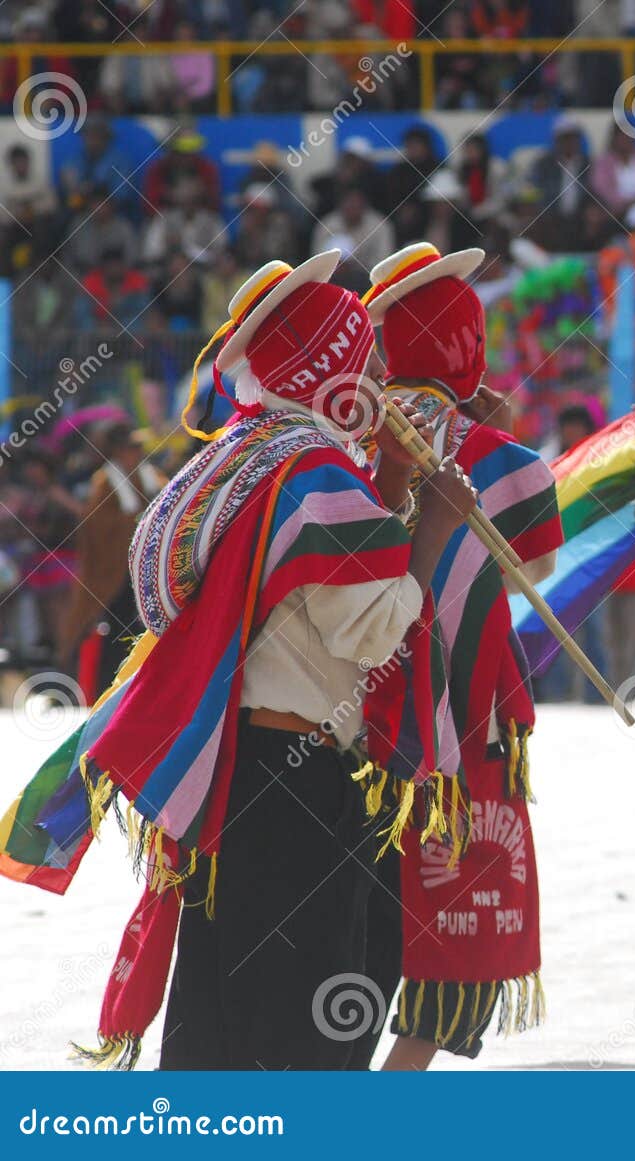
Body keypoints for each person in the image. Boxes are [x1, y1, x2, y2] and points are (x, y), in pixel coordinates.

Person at [0, 251, 479, 1069]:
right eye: (366, 356)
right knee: (301, 1020)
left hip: (243, 769)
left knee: (223, 1000)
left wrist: (393, 490)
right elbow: (371, 631)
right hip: (300, 778)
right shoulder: (319, 476)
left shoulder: (250, 453)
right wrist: (431, 527)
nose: (379, 375)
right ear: (334, 364)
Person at [361, 243, 565, 1070]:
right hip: (464, 718)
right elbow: (537, 572)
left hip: (350, 721)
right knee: (453, 926)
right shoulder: (506, 461)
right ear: (473, 347)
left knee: (358, 919)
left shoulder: (341, 439)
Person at [61, 422, 167, 700]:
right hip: (115, 573)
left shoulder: (153, 476)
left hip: (145, 570)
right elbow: (94, 523)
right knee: (115, 631)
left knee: (146, 630)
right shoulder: (105, 481)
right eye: (130, 448)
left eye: (138, 448)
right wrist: (130, 522)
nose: (136, 453)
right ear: (118, 452)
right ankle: (104, 690)